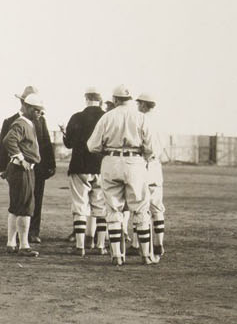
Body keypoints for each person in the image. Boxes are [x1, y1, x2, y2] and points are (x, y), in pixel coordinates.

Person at [86, 84, 155, 266]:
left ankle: (117, 256)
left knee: (113, 207)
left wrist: (108, 151)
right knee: (140, 207)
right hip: (135, 162)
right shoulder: (140, 117)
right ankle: (146, 255)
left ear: (115, 100)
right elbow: (151, 148)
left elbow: (92, 145)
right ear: (131, 100)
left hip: (111, 161)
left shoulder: (107, 117)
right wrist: (144, 158)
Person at [0, 91, 55, 246]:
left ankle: (12, 243)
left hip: (24, 169)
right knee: (25, 208)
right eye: (36, 110)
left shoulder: (29, 123)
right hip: (22, 169)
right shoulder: (21, 123)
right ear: (27, 107)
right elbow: (9, 140)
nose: (39, 113)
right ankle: (24, 245)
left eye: (40, 110)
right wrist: (21, 158)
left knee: (17, 207)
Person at [62, 87, 109, 256]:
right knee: (100, 207)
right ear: (100, 100)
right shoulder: (106, 117)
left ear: (86, 99)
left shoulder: (76, 117)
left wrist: (63, 133)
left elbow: (68, 143)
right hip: (101, 167)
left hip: (79, 166)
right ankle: (100, 246)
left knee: (80, 206)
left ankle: (80, 246)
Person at [135, 92, 169, 260]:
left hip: (143, 164)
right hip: (157, 165)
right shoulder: (161, 122)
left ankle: (140, 246)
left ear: (143, 105)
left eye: (138, 103)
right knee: (157, 207)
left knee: (141, 207)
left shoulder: (141, 120)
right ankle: (158, 243)